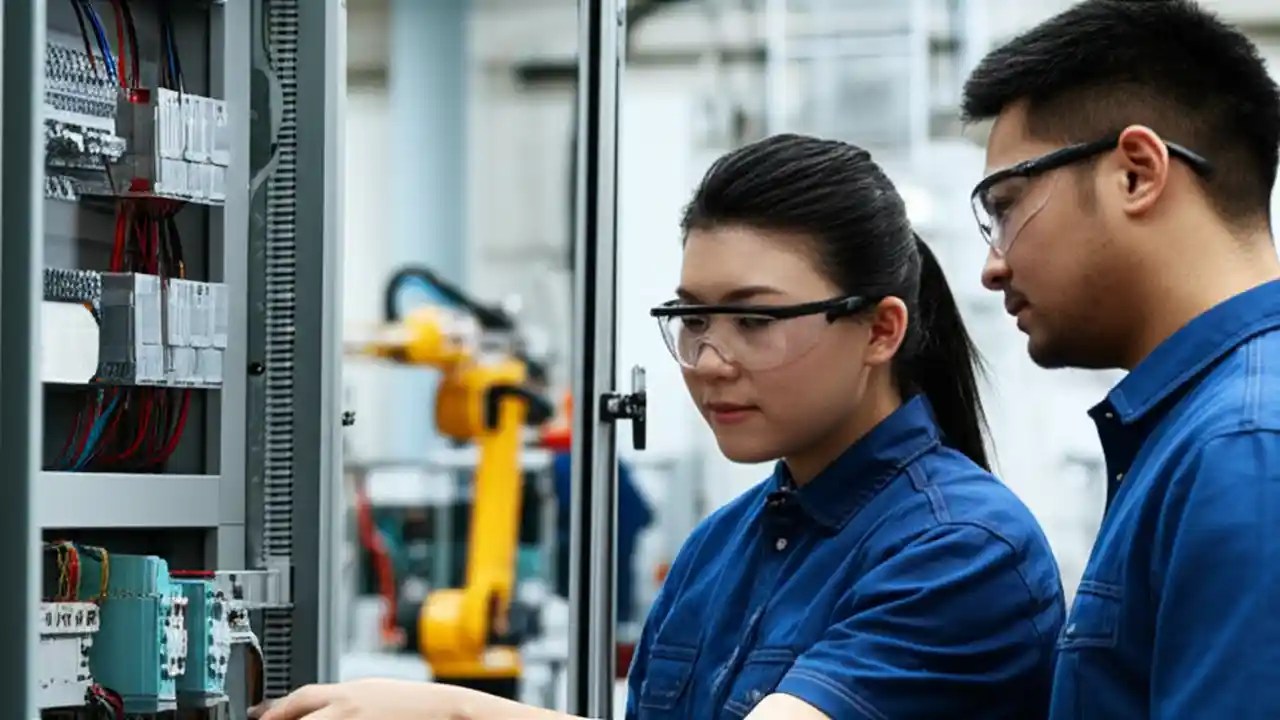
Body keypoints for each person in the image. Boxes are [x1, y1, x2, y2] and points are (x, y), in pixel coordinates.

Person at [254, 135, 1065, 720]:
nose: (709, 361)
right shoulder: (720, 549)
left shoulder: (961, 553)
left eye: (754, 321)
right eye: (692, 318)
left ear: (881, 331)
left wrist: (455, 714)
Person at [960, 1, 1280, 718]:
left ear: (1137, 173)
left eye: (1005, 207)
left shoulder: (1245, 448)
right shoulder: (1200, 433)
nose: (991, 265)